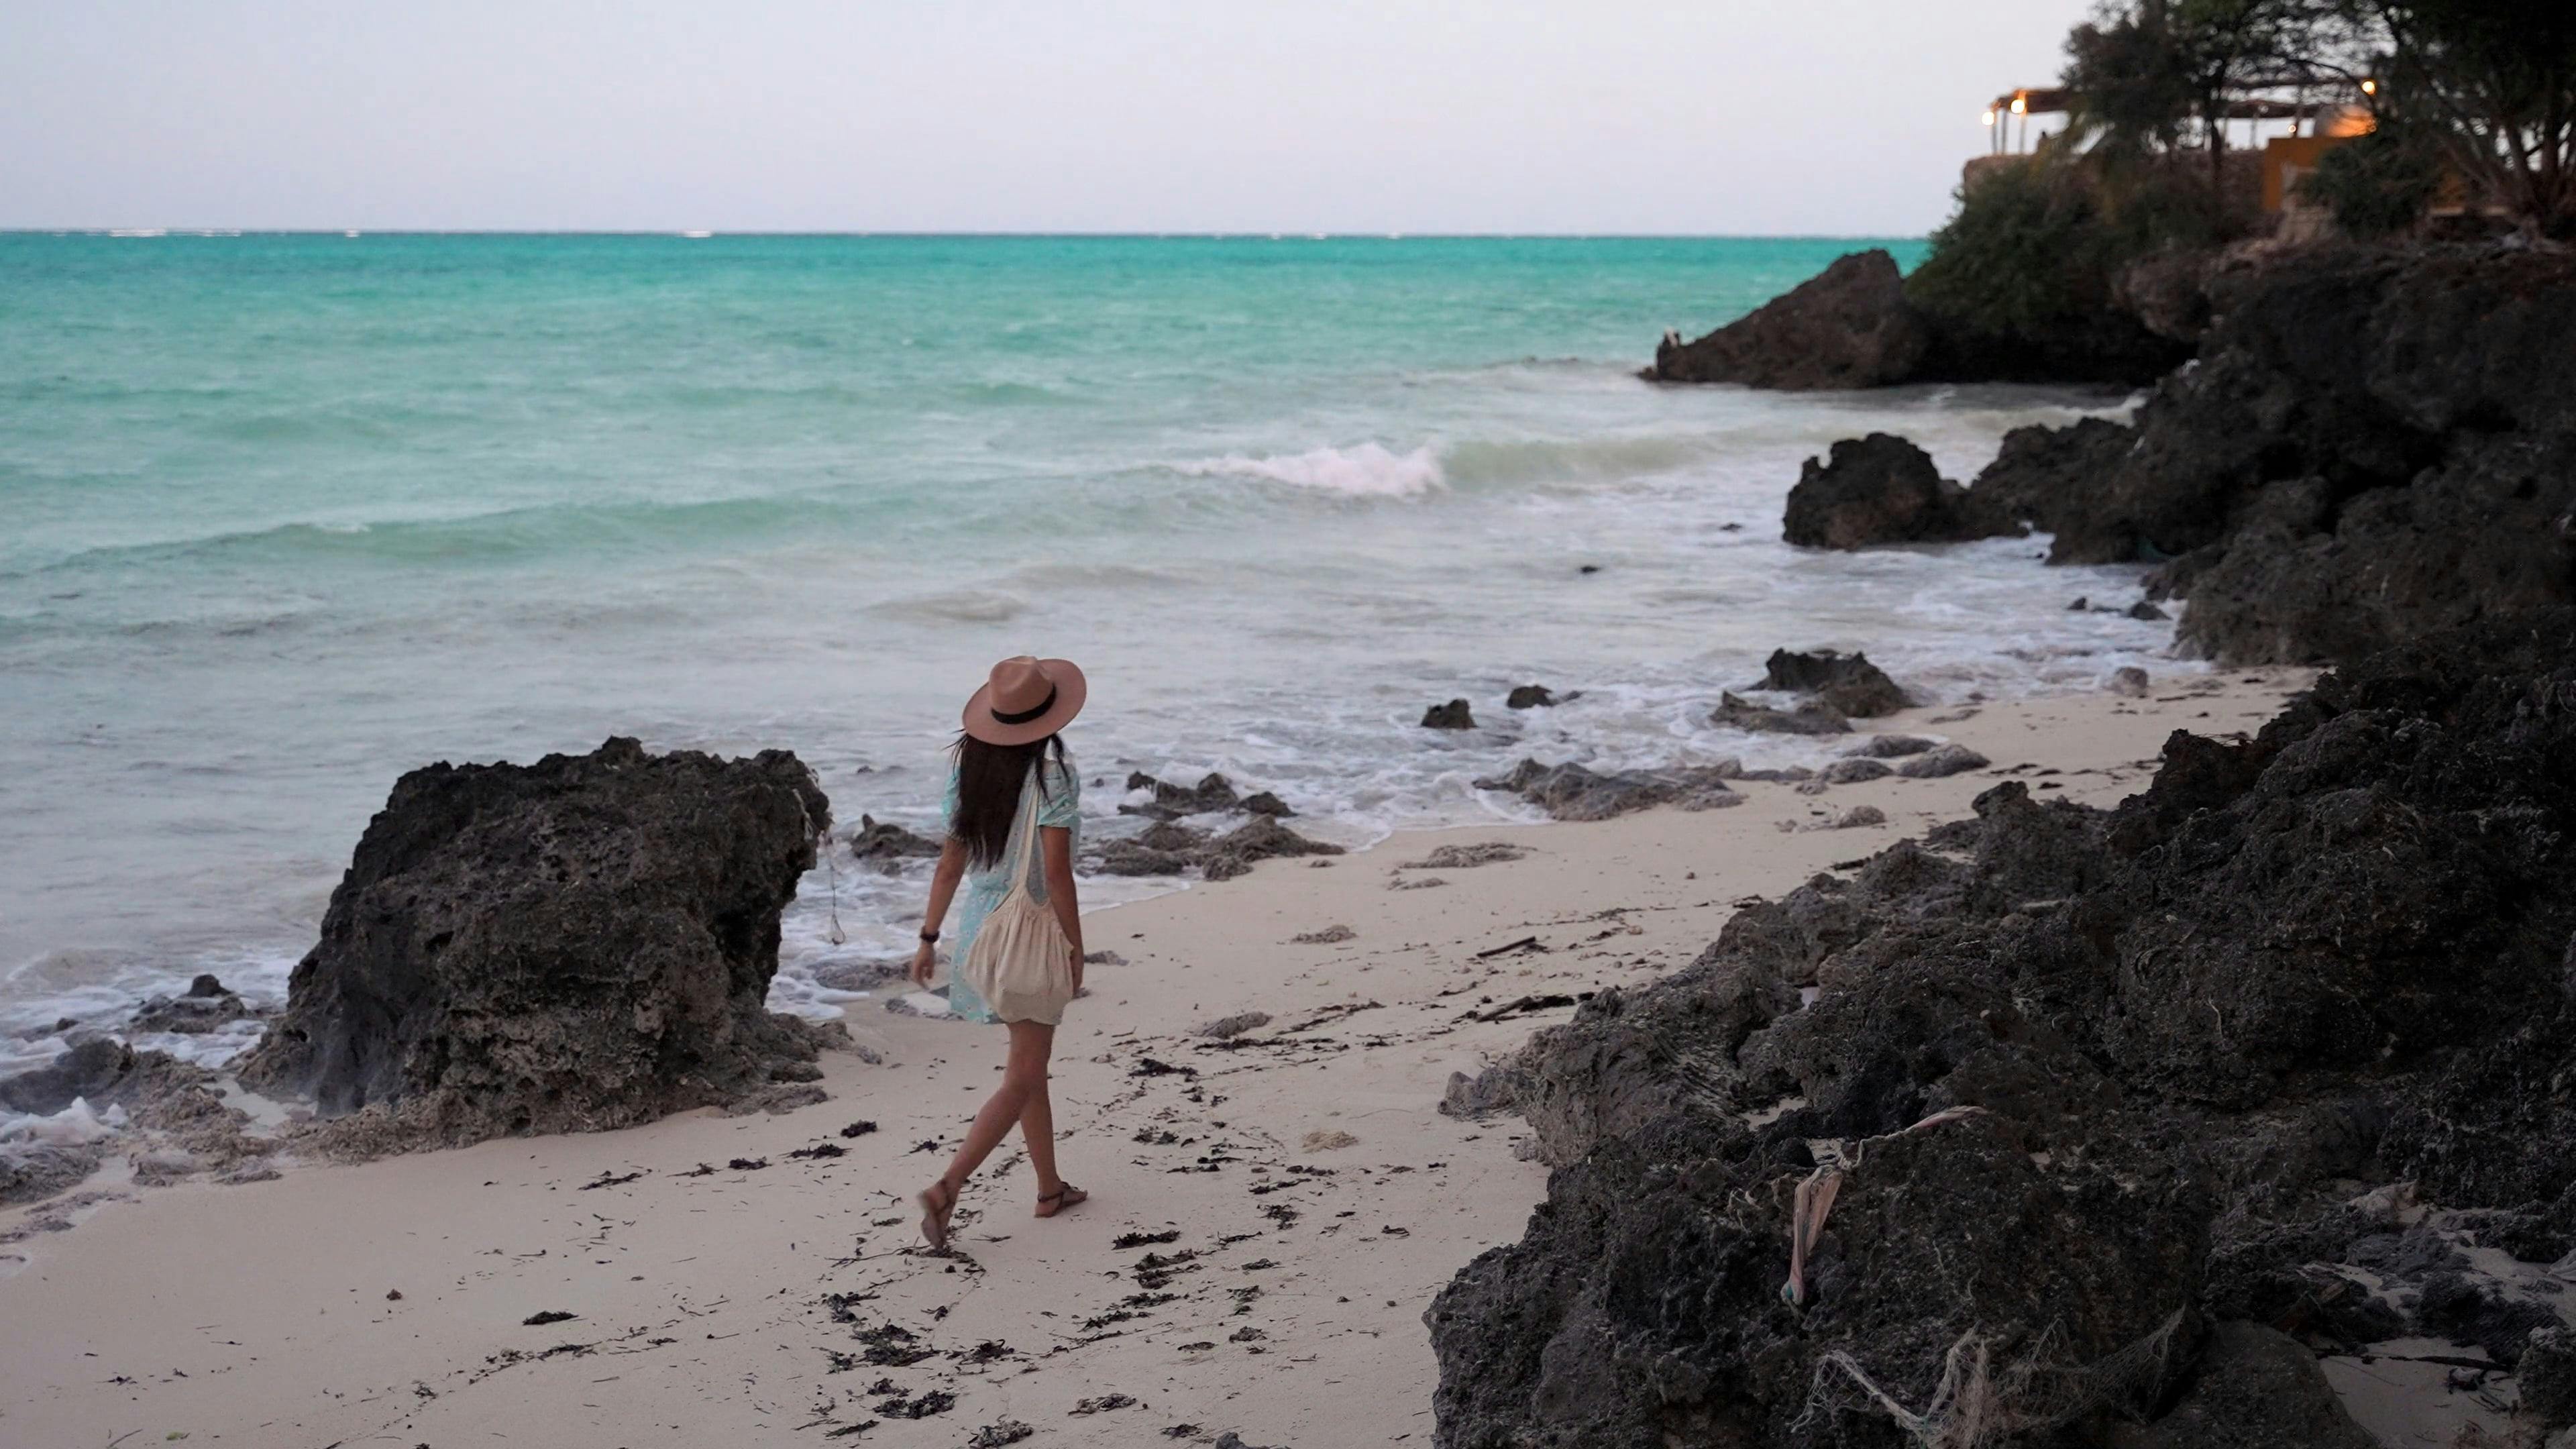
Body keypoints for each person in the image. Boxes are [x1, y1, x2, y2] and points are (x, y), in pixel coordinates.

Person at [910, 655, 1089, 1249]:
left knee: (1027, 1063)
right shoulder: (1052, 775)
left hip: (979, 932)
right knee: (1022, 1074)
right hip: (1030, 930)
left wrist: (929, 938)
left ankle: (1049, 1189)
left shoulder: (969, 769)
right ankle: (948, 1187)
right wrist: (1075, 944)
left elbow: (950, 862)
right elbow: (1057, 875)